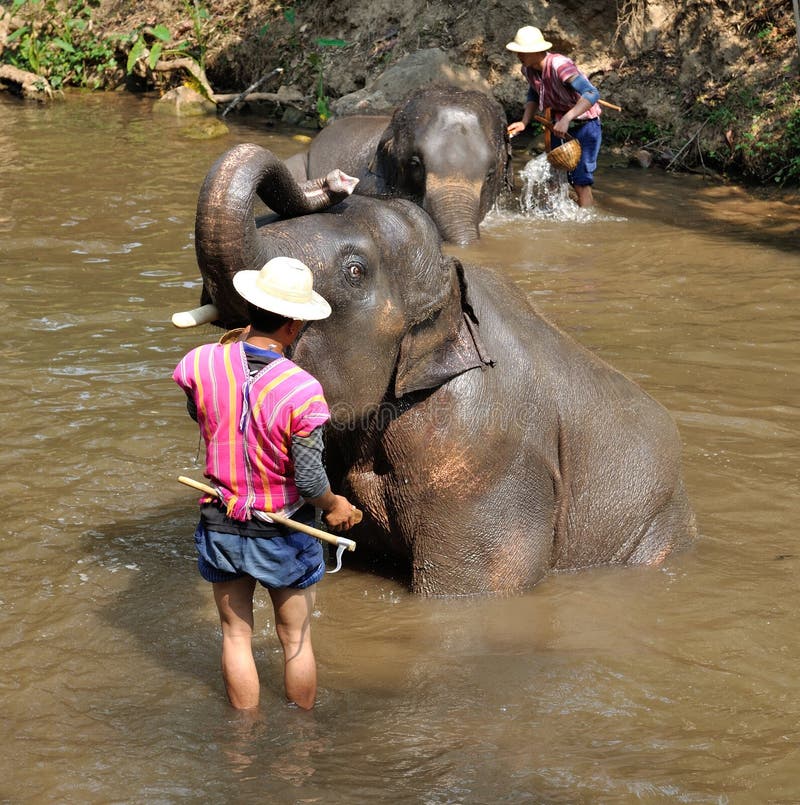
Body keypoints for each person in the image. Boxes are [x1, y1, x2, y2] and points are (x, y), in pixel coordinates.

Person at [173, 256, 359, 711]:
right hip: (283, 527)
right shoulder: (302, 390)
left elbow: (202, 413)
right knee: (294, 638)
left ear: (250, 309)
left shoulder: (199, 363)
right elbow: (311, 478)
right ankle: (300, 743)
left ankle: (243, 740)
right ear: (294, 326)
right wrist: (335, 505)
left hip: (221, 516)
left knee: (235, 635)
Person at [506, 25, 602, 207]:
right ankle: (555, 222)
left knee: (580, 182)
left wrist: (567, 118)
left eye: (522, 52)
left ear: (537, 51)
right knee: (554, 179)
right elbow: (534, 94)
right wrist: (524, 122)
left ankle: (586, 226)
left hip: (585, 125)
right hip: (559, 127)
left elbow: (591, 93)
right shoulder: (527, 69)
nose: (518, 56)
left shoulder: (560, 66)